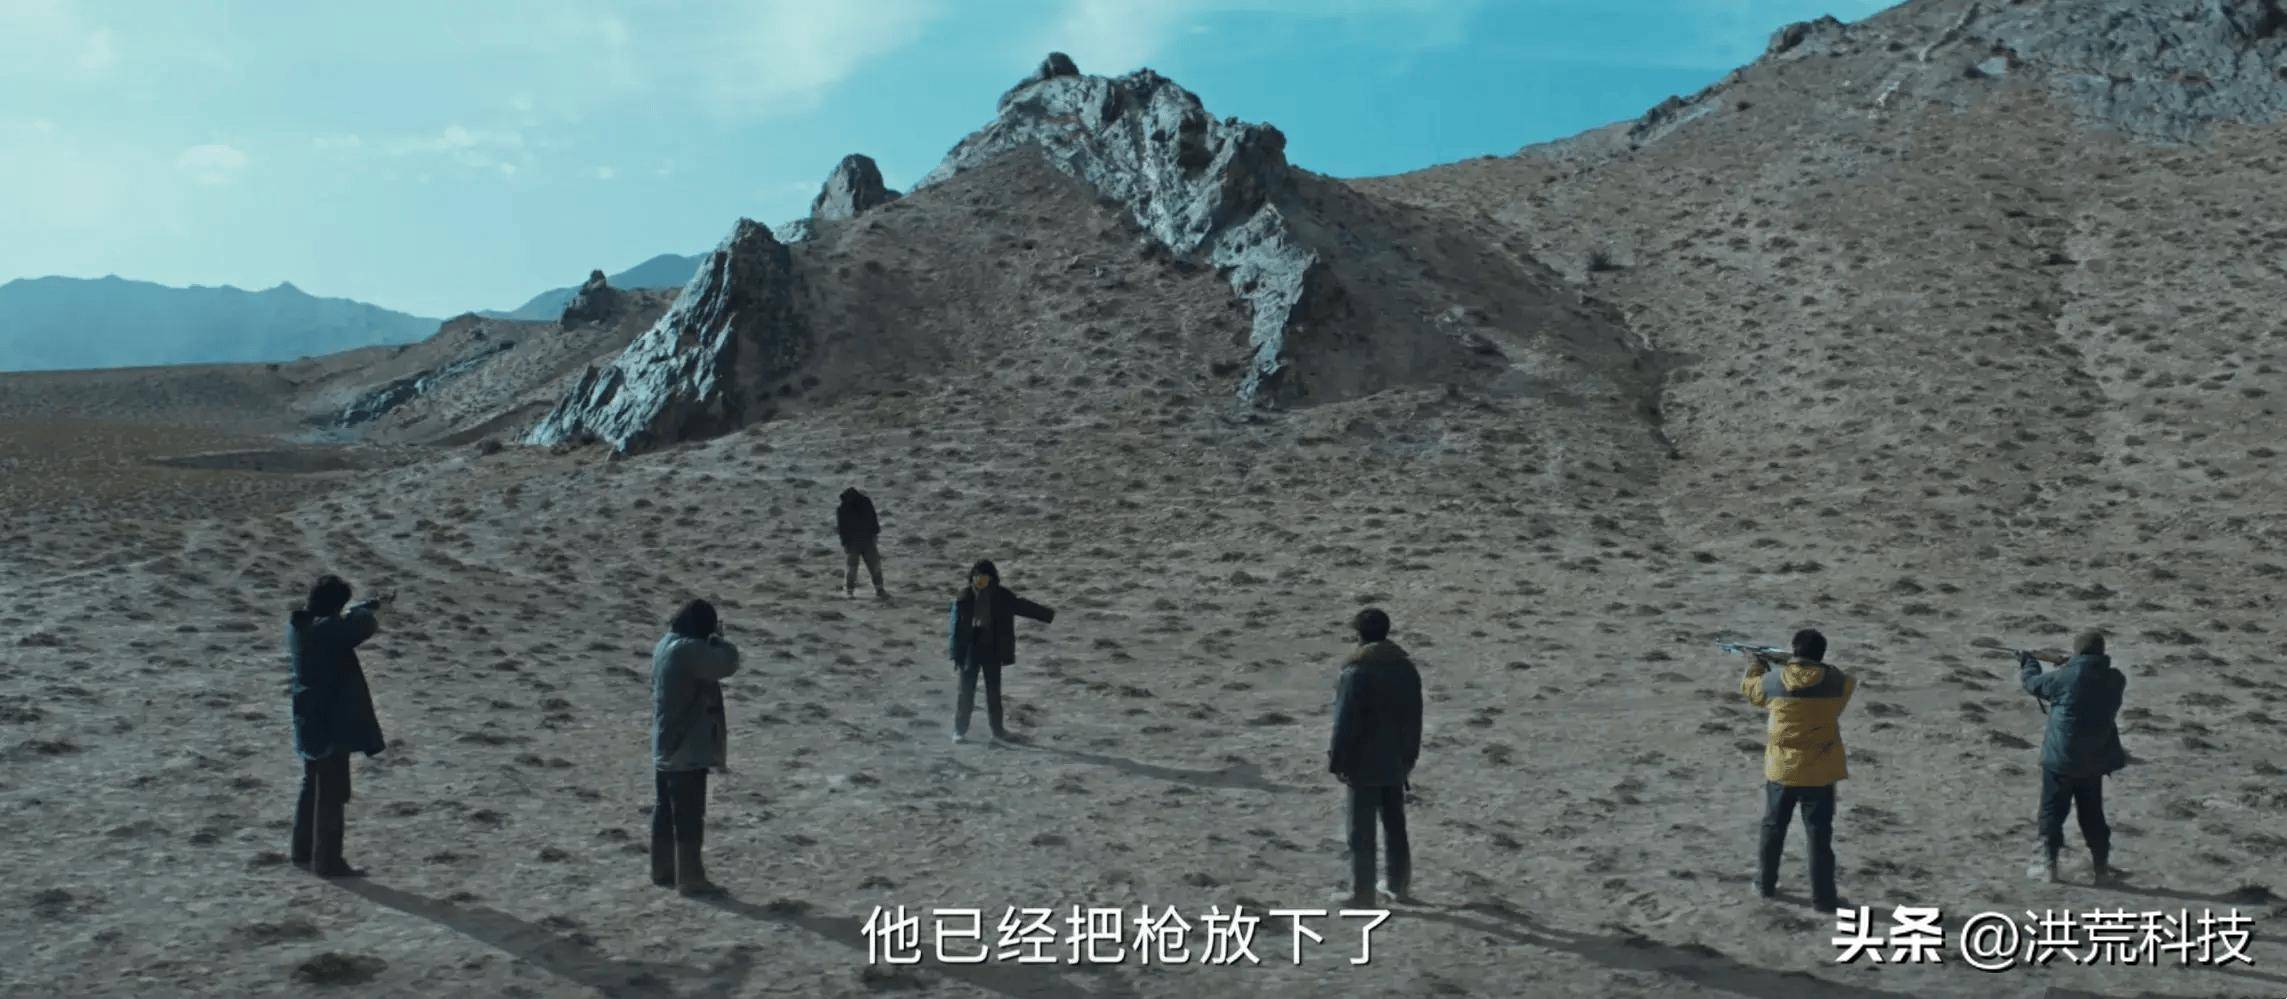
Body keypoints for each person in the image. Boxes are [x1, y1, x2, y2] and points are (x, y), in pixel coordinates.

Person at [1740, 627, 1855, 912]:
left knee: (1773, 828)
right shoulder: (1836, 682)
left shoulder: (1773, 681)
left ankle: (1765, 885)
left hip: (1782, 769)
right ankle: (1824, 899)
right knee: (1819, 836)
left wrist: (1757, 665)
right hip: (1820, 772)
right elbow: (1844, 683)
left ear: (1794, 649)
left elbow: (1751, 691)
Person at [286, 574, 391, 878]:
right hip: (330, 720)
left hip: (310, 718)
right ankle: (328, 861)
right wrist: (367, 609)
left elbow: (342, 624)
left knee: (312, 787)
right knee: (332, 792)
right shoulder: (327, 631)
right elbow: (361, 626)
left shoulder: (301, 626)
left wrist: (357, 608)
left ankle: (304, 850)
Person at [1327, 607, 1423, 908]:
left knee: (1361, 830)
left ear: (1359, 635)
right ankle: (1397, 885)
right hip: (1397, 759)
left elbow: (1344, 722)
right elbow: (1415, 718)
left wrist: (1337, 761)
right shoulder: (1405, 668)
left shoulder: (1355, 672)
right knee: (1395, 824)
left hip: (1363, 762)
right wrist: (1409, 757)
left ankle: (1362, 893)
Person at [2020, 631, 2127, 884]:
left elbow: (2033, 683)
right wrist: (2070, 662)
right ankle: (2101, 869)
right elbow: (2086, 675)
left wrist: (2028, 662)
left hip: (2060, 759)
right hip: (2094, 759)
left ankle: (2048, 866)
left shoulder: (2065, 677)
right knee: (2093, 817)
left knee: (2052, 813)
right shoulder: (2115, 679)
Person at [651, 599, 742, 896]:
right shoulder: (688, 649)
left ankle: (663, 869)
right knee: (689, 814)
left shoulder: (665, 644)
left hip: (666, 741)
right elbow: (728, 663)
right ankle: (690, 879)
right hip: (686, 745)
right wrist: (719, 640)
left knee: (666, 809)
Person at [946, 560, 1055, 744]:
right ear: (972, 578)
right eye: (977, 578)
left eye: (984, 579)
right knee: (965, 694)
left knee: (994, 695)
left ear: (992, 579)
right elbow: (954, 628)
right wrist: (955, 654)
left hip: (993, 650)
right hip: (970, 651)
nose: (980, 582)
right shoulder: (964, 597)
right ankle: (959, 730)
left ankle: (998, 731)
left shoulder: (1002, 596)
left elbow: (1022, 606)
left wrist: (1048, 615)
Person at [837, 488, 888, 600]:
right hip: (867, 539)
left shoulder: (843, 507)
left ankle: (849, 592)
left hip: (852, 542)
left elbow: (842, 528)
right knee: (874, 566)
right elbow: (873, 518)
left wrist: (844, 543)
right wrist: (875, 534)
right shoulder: (866, 503)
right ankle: (880, 589)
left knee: (851, 568)